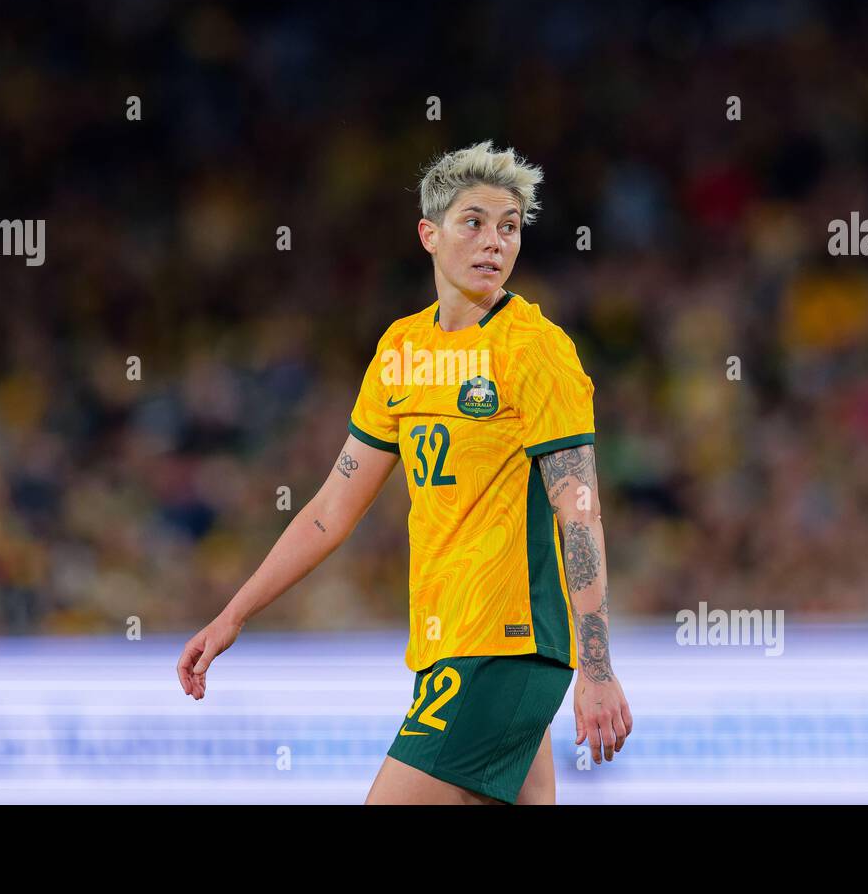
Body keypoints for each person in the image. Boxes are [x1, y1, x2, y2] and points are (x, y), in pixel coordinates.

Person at [177, 140, 632, 803]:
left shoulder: (537, 351)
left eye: (508, 228)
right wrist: (233, 615)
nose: (494, 243)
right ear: (429, 233)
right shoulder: (401, 350)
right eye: (473, 222)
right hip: (442, 645)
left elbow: (579, 511)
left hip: (505, 646)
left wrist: (596, 668)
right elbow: (331, 510)